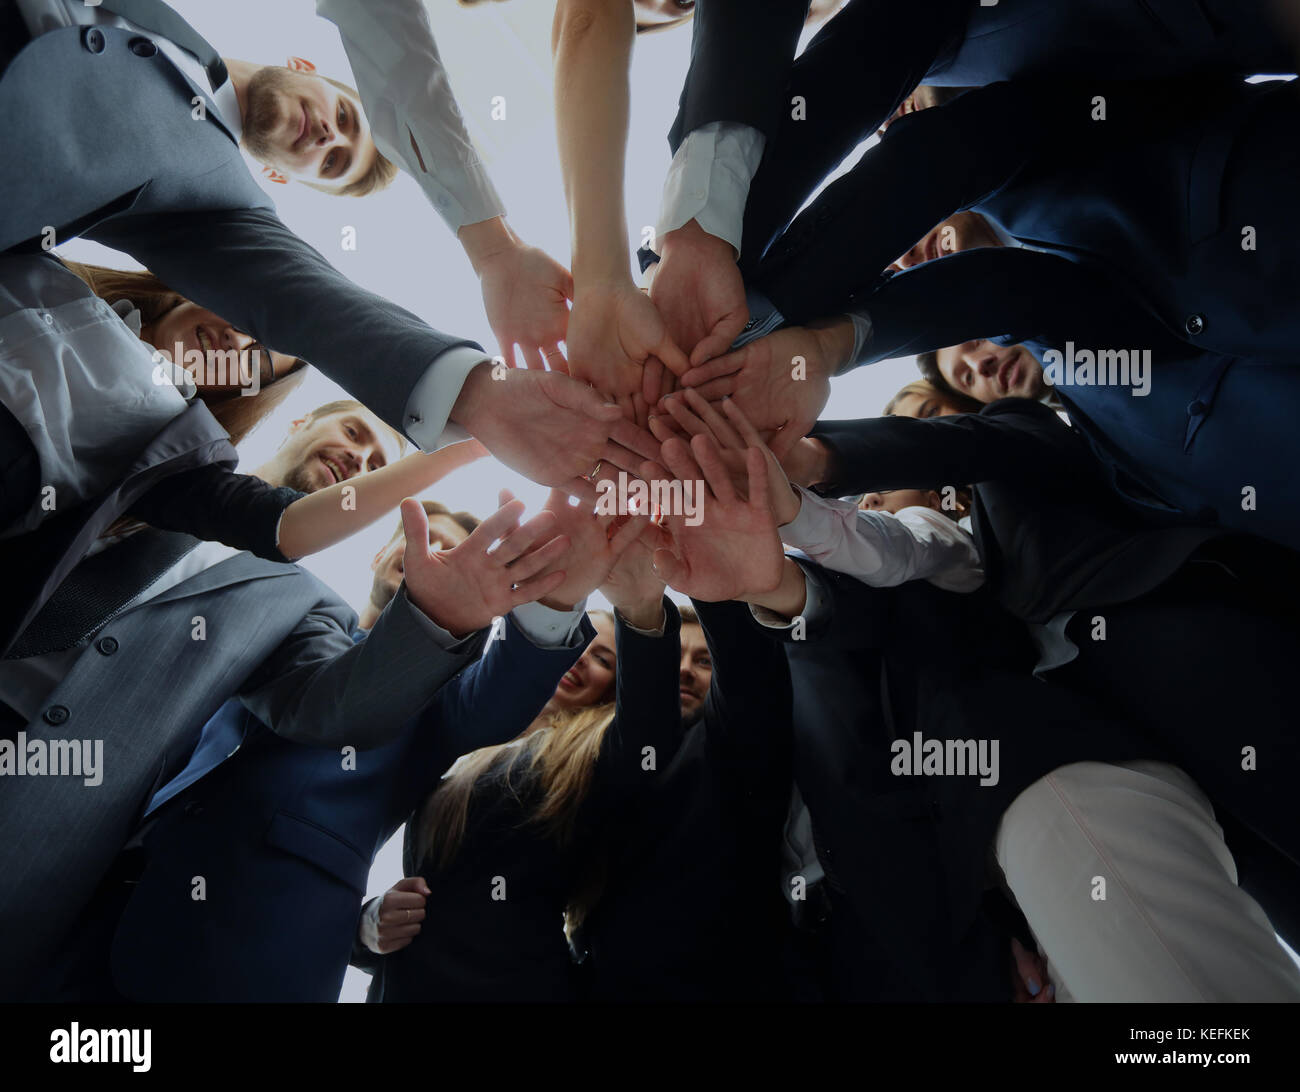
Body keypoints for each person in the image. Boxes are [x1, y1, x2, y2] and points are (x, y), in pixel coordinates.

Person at [642, 416, 1300, 1001]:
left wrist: (801, 530)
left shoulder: (940, 545)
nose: (860, 506)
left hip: (1043, 797)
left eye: (872, 496)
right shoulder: (771, 676)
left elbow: (902, 550)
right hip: (927, 940)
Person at [0, 389, 574, 1000]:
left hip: (225, 963)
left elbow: (491, 695)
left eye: (379, 465)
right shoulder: (173, 475)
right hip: (78, 916)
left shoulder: (358, 647)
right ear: (384, 546)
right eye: (355, 434)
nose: (359, 461)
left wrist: (556, 593)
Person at [1, 0, 657, 502]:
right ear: (320, 73)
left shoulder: (214, 198)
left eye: (336, 160)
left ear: (287, 179)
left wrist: (478, 391)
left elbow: (301, 299)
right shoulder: (176, 34)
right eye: (346, 118)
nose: (326, 136)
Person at [354, 502, 671, 1002]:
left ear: (618, 683)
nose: (583, 659)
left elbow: (648, 736)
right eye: (581, 643)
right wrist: (369, 925)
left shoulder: (592, 757)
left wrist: (643, 612)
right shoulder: (473, 736)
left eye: (605, 657)